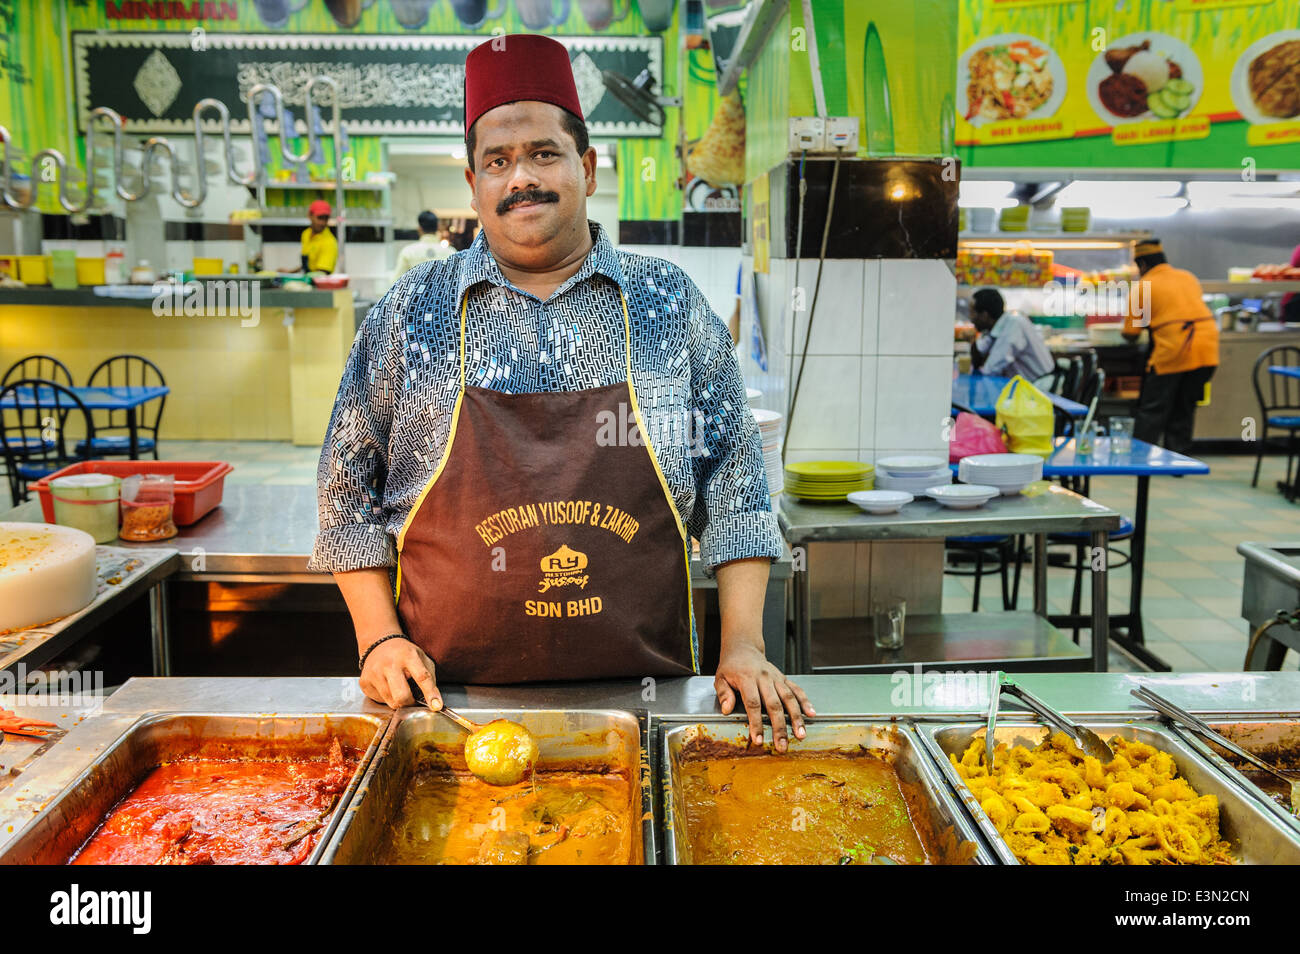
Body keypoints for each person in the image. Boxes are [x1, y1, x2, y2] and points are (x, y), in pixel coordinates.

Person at [308, 34, 810, 749]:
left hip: (652, 709)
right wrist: (377, 640)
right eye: (498, 161)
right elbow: (343, 489)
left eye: (544, 153)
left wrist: (744, 647)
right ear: (474, 182)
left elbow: (737, 486)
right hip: (447, 712)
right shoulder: (408, 312)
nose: (522, 179)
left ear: (588, 166)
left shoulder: (668, 302)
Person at [1122, 239, 1219, 456]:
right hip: (1207, 351)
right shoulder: (1188, 277)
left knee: (1153, 408)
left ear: (1143, 265)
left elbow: (1130, 333)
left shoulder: (1144, 287)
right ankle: (1179, 457)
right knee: (1184, 407)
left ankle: (1139, 457)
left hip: (1174, 350)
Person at [969, 288, 1054, 380]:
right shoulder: (995, 330)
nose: (971, 318)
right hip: (1027, 387)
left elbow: (992, 368)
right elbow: (980, 352)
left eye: (972, 313)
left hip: (1042, 387)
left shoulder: (1013, 324)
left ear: (984, 316)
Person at [392, 210, 454, 285]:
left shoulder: (408, 252)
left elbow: (397, 281)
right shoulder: (451, 253)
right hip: (444, 296)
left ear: (419, 229)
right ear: (438, 227)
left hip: (415, 296)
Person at [283, 199, 338, 274]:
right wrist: (290, 272)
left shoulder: (329, 242)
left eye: (326, 218)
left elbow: (322, 273)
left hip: (320, 284)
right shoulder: (306, 234)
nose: (323, 223)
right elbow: (308, 264)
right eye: (320, 218)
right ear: (309, 215)